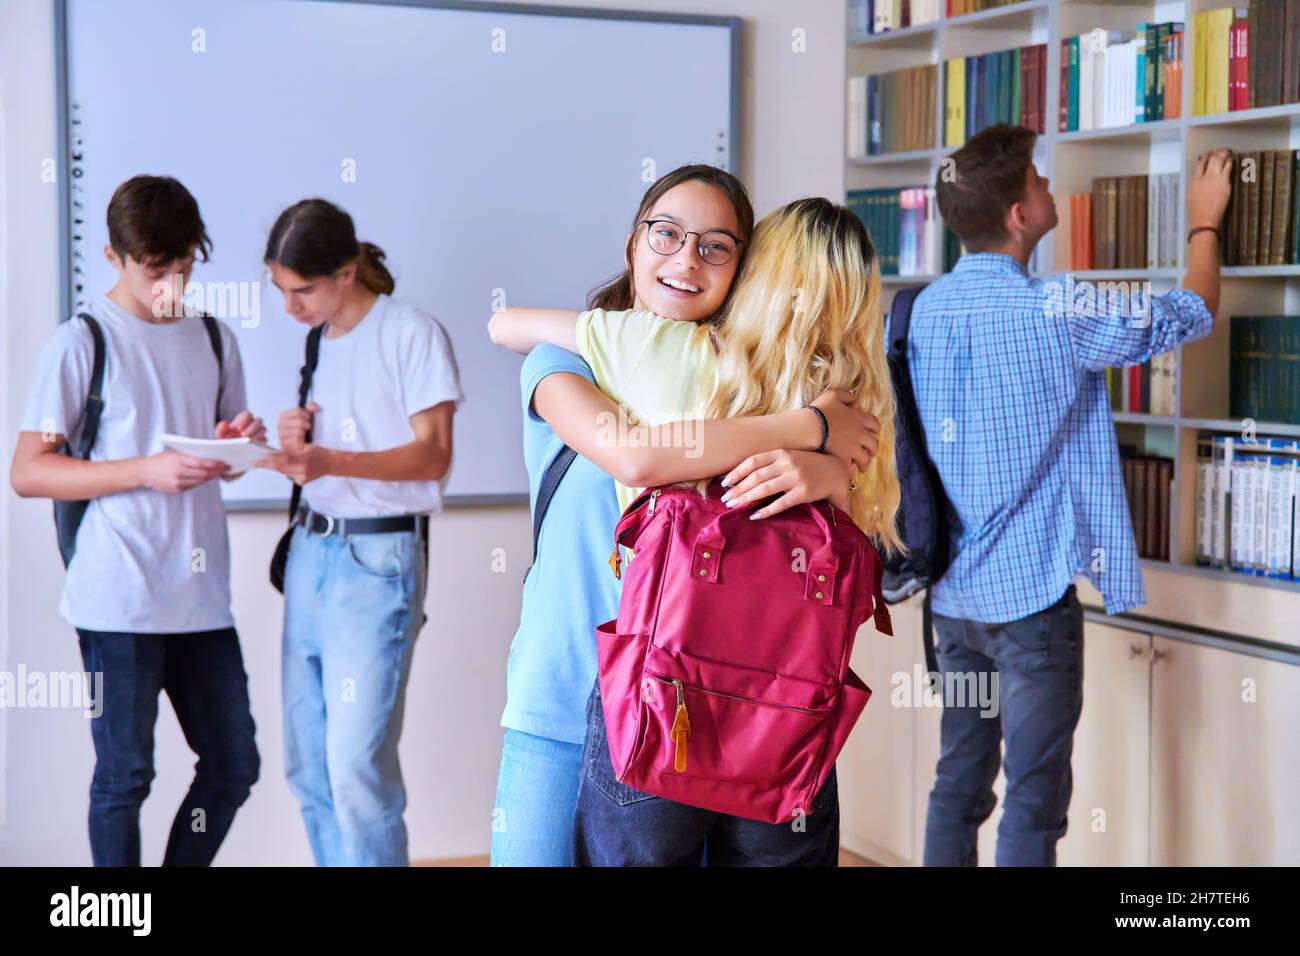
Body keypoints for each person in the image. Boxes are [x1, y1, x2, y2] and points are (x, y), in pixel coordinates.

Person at [490, 192, 899, 866]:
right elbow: (634, 455)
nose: (686, 259)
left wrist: (829, 474)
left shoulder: (749, 386)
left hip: (707, 707)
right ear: (632, 243)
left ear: (746, 271)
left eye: (716, 246)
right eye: (666, 234)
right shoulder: (566, 360)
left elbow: (841, 527)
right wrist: (814, 433)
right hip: (563, 694)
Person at [909, 124, 1233, 866]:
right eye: (1040, 181)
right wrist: (1205, 219)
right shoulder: (1058, 308)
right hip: (1031, 608)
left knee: (957, 785)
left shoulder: (920, 311)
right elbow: (1192, 311)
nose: (1051, 188)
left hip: (953, 606)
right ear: (1020, 215)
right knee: (1033, 797)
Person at [10, 175, 264, 866]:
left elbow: (233, 461)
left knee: (234, 766)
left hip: (201, 599)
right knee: (126, 779)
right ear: (114, 257)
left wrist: (236, 442)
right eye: (156, 271)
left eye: (183, 270)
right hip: (117, 597)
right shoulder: (81, 342)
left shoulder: (214, 337)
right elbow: (29, 471)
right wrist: (142, 470)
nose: (170, 288)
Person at [258, 198, 462, 866]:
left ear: (347, 271)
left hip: (378, 559)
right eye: (280, 290)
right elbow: (330, 448)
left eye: (302, 290)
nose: (290, 307)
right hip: (311, 553)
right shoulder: (317, 340)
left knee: (356, 770)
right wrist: (296, 442)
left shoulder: (411, 333)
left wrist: (331, 460)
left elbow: (432, 455)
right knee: (308, 767)